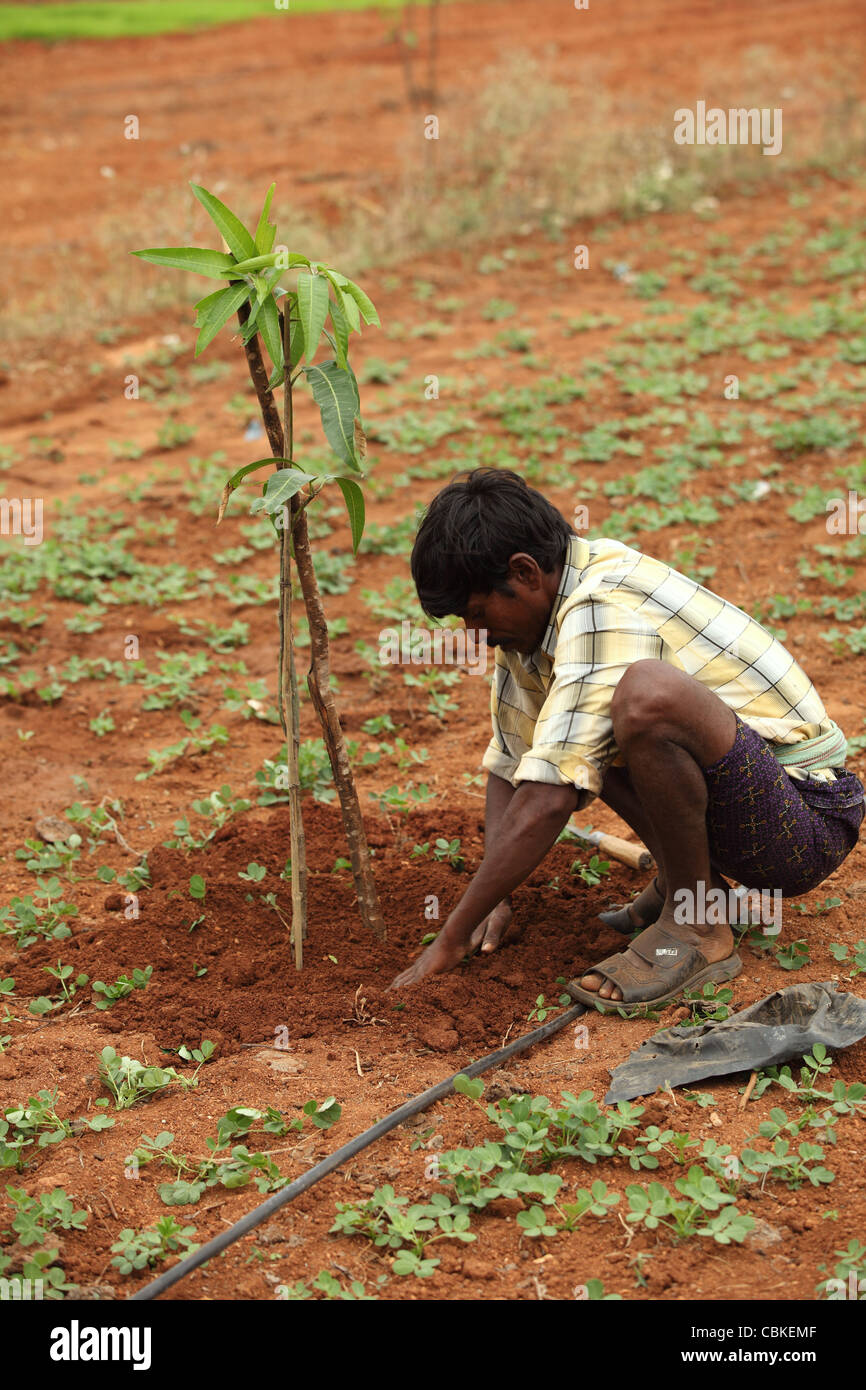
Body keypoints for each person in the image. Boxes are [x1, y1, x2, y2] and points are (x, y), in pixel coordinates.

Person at [387, 469, 865, 1011]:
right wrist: (496, 897)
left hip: (803, 825)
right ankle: (693, 884)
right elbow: (515, 764)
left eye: (475, 614)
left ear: (524, 572)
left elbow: (548, 800)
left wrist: (452, 935)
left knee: (646, 696)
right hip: (747, 798)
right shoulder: (534, 626)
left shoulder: (599, 603)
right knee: (580, 726)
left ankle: (698, 925)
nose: (474, 634)